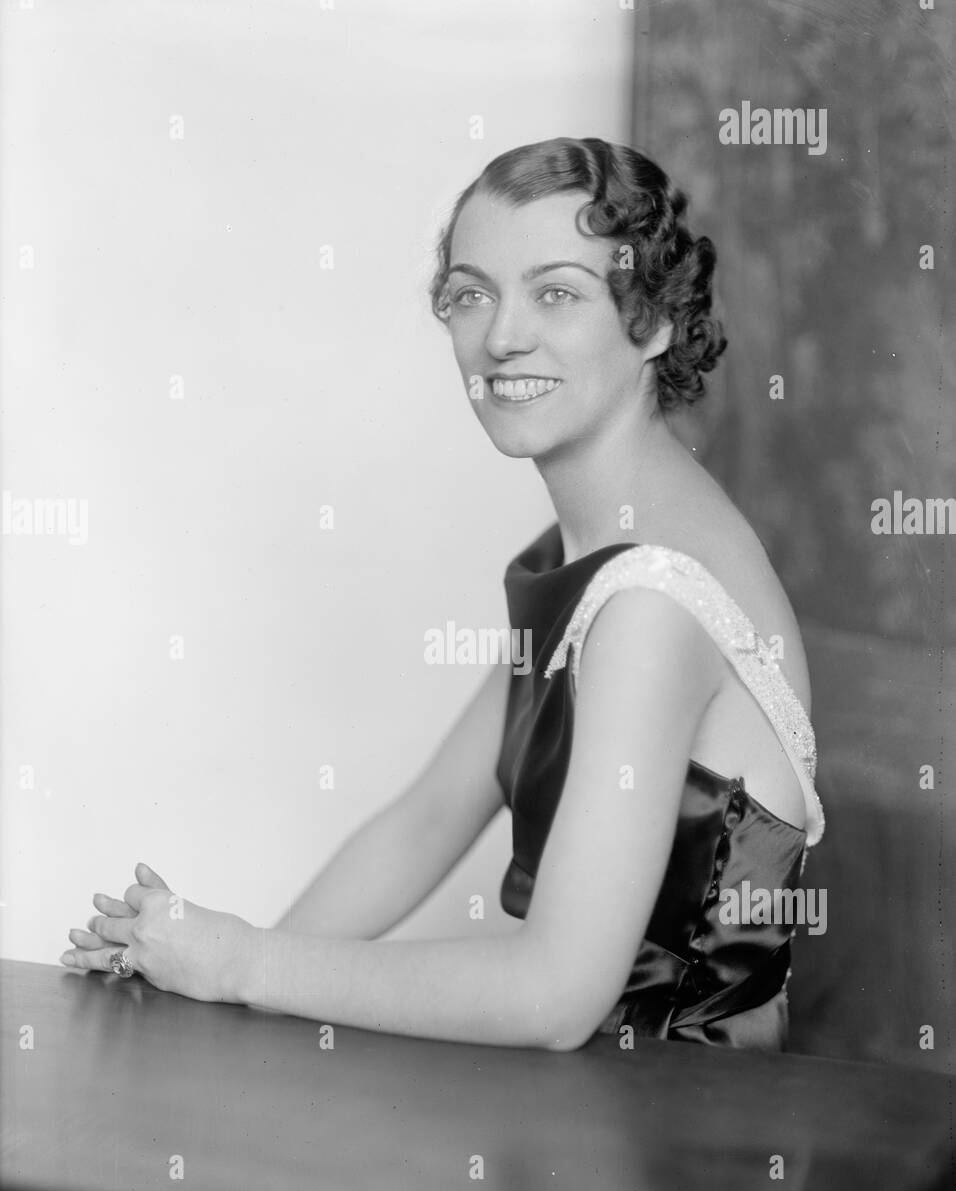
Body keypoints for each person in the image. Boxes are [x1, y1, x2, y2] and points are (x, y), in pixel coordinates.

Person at [61, 137, 824, 1051]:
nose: (501, 336)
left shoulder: (652, 604)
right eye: (472, 293)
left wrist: (244, 966)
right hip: (591, 1109)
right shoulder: (597, 552)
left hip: (676, 1138)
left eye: (557, 292)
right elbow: (423, 826)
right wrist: (203, 973)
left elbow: (553, 997)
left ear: (654, 320)